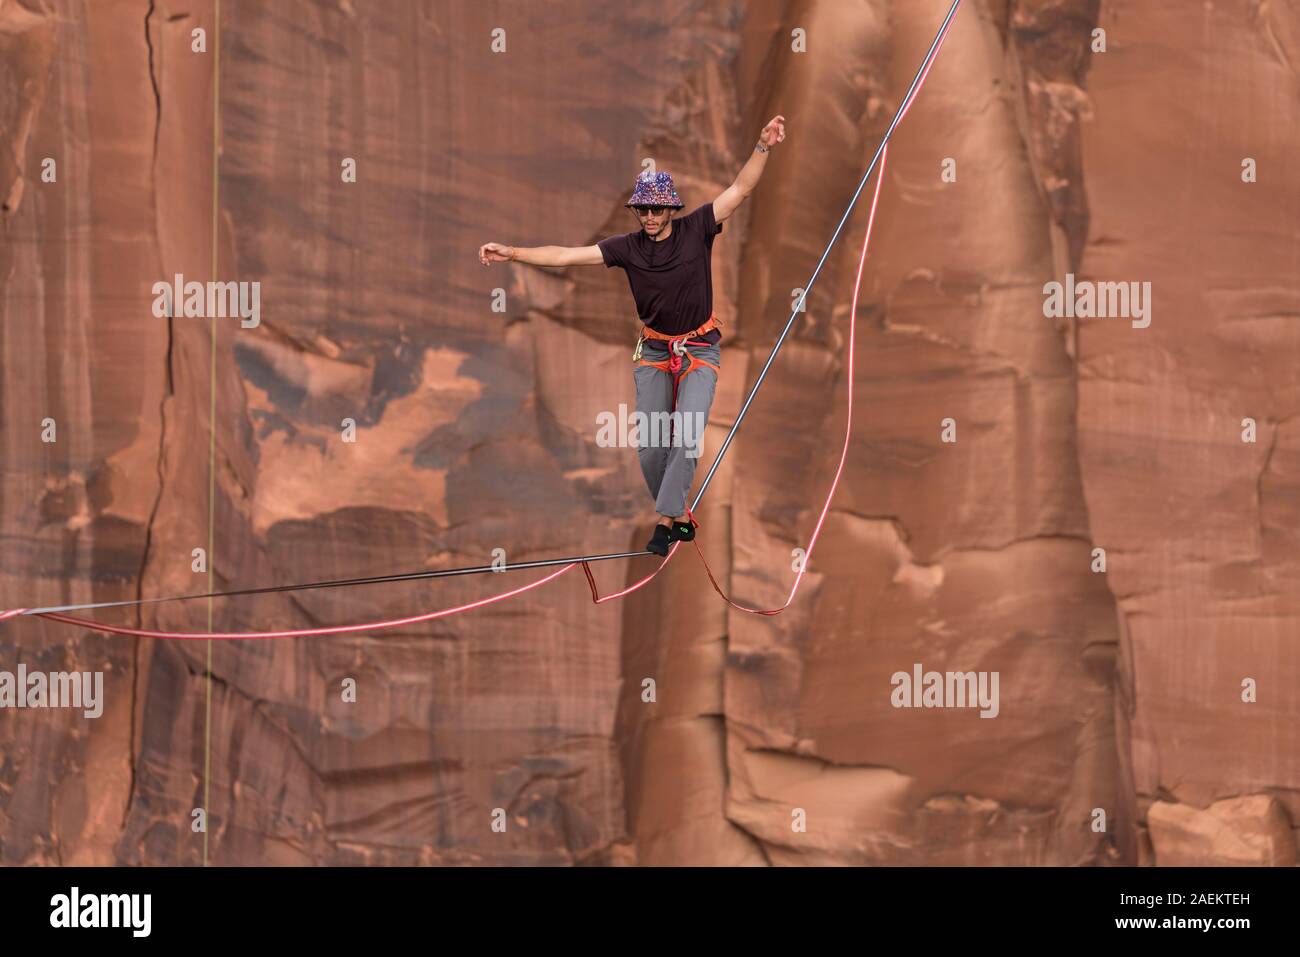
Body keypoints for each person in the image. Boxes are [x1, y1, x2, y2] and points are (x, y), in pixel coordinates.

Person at [479, 116, 786, 555]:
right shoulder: (626, 247)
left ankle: (665, 520)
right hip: (655, 350)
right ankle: (679, 516)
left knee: (687, 435)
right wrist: (511, 252)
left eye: (656, 209)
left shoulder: (697, 228)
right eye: (642, 209)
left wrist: (763, 146)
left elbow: (740, 190)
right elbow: (565, 257)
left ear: (671, 210)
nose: (648, 216)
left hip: (699, 348)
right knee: (648, 448)